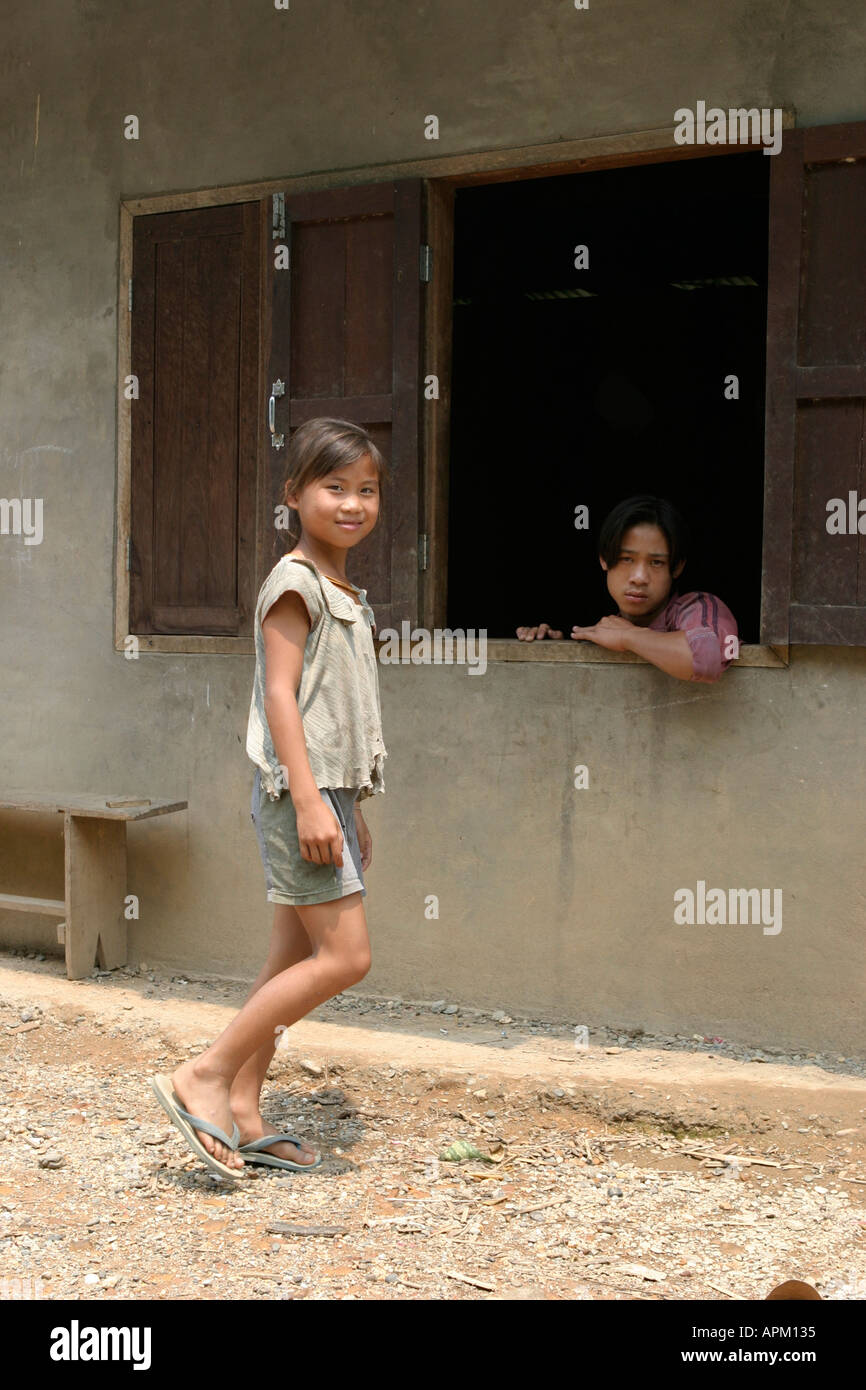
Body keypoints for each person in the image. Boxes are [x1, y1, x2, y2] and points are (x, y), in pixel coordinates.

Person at [152, 417, 386, 1178]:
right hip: (298, 796)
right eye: (334, 486)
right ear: (294, 495)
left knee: (292, 955)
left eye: (367, 490)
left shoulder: (343, 589)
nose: (352, 503)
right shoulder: (295, 583)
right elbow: (281, 699)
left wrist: (350, 806)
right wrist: (315, 803)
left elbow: (333, 710)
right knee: (347, 956)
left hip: (328, 796)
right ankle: (208, 1073)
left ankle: (245, 1104)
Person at [516, 495, 738, 683]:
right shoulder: (607, 627)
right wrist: (550, 649)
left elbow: (707, 658)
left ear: (677, 566)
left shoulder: (698, 607)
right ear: (604, 559)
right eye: (626, 559)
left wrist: (628, 637)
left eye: (656, 562)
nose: (639, 577)